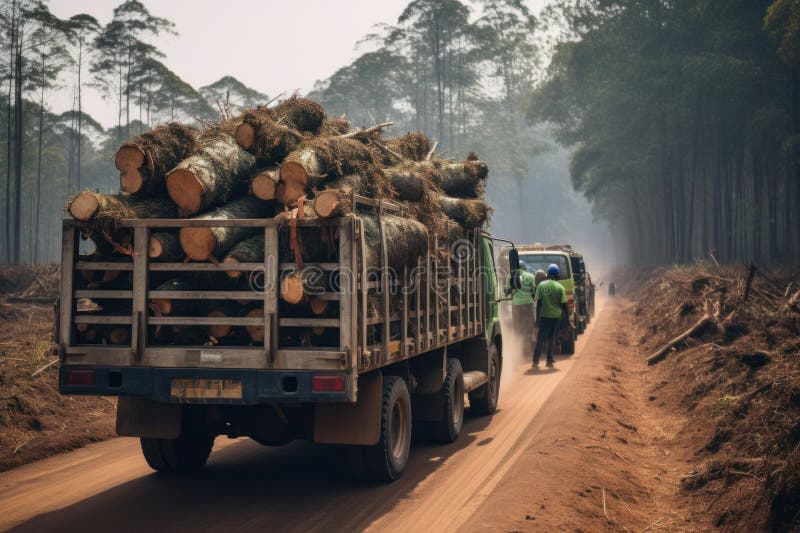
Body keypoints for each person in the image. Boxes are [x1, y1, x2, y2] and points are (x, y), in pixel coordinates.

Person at [533, 264, 567, 368]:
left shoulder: (541, 285)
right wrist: (566, 320)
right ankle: (549, 360)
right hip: (556, 317)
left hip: (544, 316)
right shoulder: (560, 287)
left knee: (541, 339)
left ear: (548, 274)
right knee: (552, 338)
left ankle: (535, 361)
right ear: (557, 276)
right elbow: (564, 305)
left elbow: (536, 300)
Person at [510, 267, 537, 361]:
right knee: (528, 329)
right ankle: (526, 353)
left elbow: (507, 291)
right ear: (525, 269)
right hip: (528, 304)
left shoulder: (511, 277)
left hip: (515, 305)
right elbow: (534, 291)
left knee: (517, 329)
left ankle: (517, 352)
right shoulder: (530, 276)